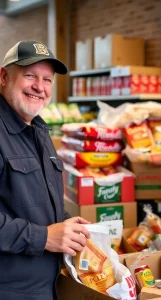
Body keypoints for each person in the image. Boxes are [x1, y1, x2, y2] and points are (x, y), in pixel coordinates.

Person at [0, 41, 91, 300]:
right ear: (4, 76)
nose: (39, 87)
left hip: (45, 287)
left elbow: (32, 201)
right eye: (30, 76)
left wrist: (66, 225)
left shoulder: (39, 131)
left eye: (47, 79)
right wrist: (44, 237)